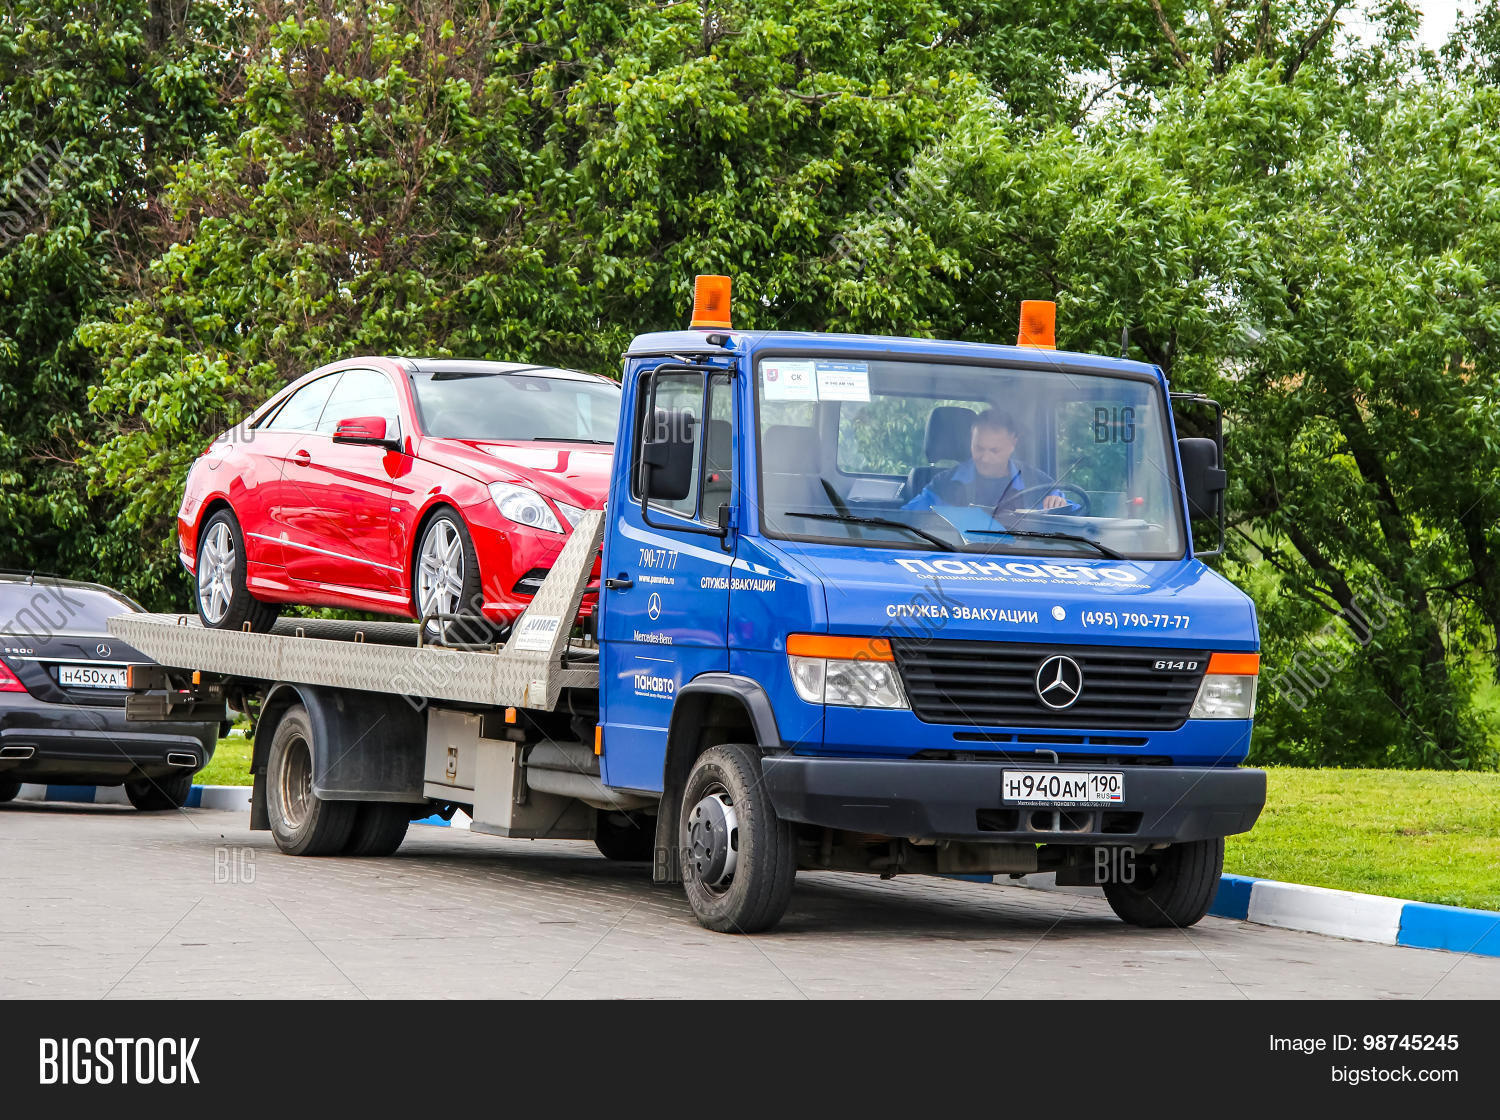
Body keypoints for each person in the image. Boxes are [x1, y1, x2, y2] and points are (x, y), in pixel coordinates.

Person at [903, 408, 1071, 513]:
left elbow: (1075, 517)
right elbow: (906, 520)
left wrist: (1060, 505)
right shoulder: (945, 484)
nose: (985, 458)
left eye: (994, 450)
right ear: (971, 440)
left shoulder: (1037, 482)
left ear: (1013, 442)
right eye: (978, 448)